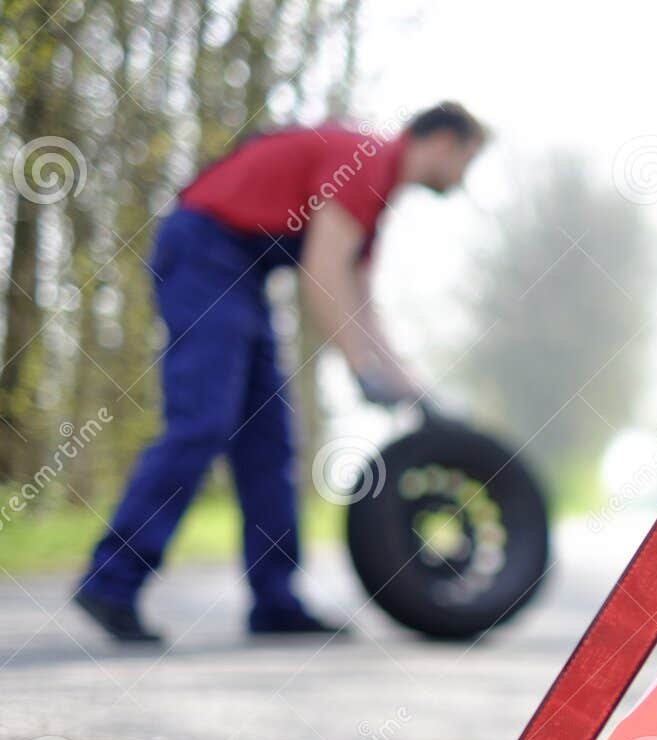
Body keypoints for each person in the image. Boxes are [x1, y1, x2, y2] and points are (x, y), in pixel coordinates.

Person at [75, 103, 487, 643]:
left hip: (241, 273)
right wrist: (362, 368)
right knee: (203, 422)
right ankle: (111, 581)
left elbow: (359, 298)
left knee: (268, 441)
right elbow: (323, 273)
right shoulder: (366, 160)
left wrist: (412, 389)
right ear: (443, 142)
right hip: (205, 251)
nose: (462, 178)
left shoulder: (375, 180)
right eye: (467, 161)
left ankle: (276, 602)